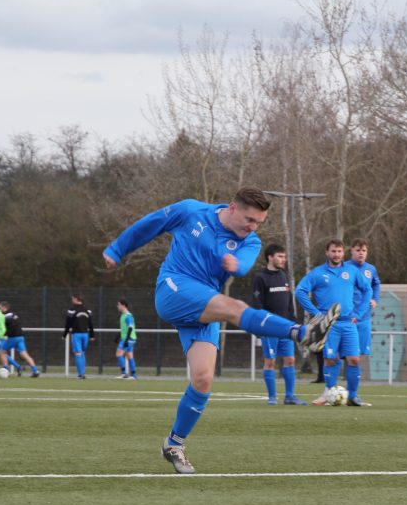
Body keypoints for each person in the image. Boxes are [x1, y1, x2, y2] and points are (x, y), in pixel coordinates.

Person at [103, 187, 338, 474]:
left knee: (203, 379)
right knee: (235, 308)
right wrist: (117, 249)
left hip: (205, 304)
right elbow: (151, 224)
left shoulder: (250, 241)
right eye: (249, 220)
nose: (253, 228)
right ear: (232, 207)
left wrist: (236, 264)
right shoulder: (190, 211)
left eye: (259, 223)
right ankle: (302, 333)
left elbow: (244, 264)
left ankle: (174, 444)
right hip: (174, 288)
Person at [296, 238, 371, 407]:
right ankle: (329, 394)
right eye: (333, 251)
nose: (336, 254)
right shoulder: (317, 273)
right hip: (329, 324)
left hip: (349, 323)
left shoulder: (351, 271)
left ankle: (353, 397)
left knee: (354, 359)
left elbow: (368, 290)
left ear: (343, 253)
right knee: (330, 360)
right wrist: (316, 313)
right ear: (327, 252)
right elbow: (300, 291)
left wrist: (359, 313)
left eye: (339, 251)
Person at [251, 244, 307, 405]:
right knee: (270, 362)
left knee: (290, 360)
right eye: (280, 256)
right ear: (270, 257)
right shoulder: (260, 278)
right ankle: (272, 397)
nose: (284, 259)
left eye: (284, 256)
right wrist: (261, 326)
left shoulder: (284, 276)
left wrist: (293, 322)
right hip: (269, 328)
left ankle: (290, 396)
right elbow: (257, 304)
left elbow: (289, 302)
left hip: (286, 327)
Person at [347, 239, 381, 397]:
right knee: (336, 356)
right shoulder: (345, 267)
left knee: (357, 357)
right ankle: (330, 391)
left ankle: (352, 393)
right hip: (346, 318)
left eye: (364, 250)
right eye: (358, 250)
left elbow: (376, 284)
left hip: (364, 318)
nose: (361, 253)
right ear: (351, 251)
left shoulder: (370, 269)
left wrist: (375, 298)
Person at [0, 300, 41, 378]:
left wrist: (5, 334)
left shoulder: (6, 317)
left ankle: (6, 370)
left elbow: (11, 328)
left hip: (13, 338)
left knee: (2, 352)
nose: (0, 309)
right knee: (24, 354)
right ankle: (35, 371)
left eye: (0, 307)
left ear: (4, 308)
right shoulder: (14, 315)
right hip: (20, 337)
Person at [64, 294, 95, 379]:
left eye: (73, 299)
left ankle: (81, 374)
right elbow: (91, 324)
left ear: (76, 299)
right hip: (85, 335)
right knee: (82, 353)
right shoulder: (88, 310)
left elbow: (68, 323)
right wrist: (92, 335)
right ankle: (82, 373)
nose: (72, 300)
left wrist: (65, 334)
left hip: (76, 334)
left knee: (78, 353)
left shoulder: (72, 310)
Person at [116, 298, 138, 380]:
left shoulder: (128, 316)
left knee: (119, 354)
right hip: (128, 338)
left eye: (119, 305)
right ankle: (134, 375)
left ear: (123, 305)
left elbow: (130, 327)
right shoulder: (123, 315)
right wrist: (118, 336)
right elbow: (124, 328)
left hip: (128, 338)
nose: (117, 306)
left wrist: (126, 340)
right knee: (130, 356)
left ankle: (124, 373)